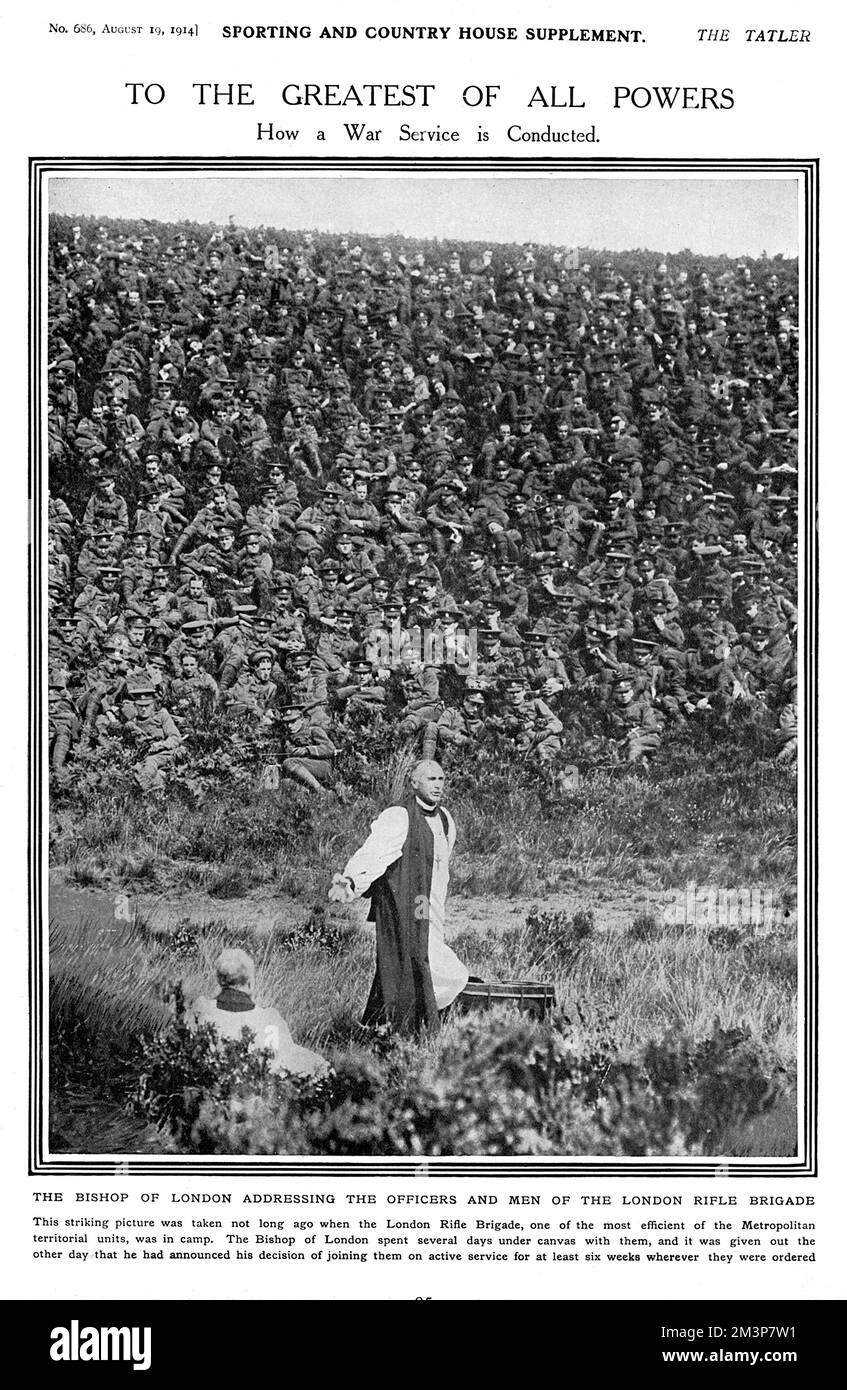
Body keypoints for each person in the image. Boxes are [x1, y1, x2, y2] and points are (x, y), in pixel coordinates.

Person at [329, 760, 469, 1033]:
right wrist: (351, 881)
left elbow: (442, 864)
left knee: (420, 953)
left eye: (441, 778)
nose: (438, 785)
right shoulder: (399, 816)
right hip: (402, 900)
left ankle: (384, 1024)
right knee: (414, 957)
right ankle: (412, 1026)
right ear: (414, 783)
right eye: (431, 779)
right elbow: (376, 853)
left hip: (429, 902)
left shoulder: (446, 819)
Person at [190, 948, 328, 1078]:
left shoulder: (202, 1011)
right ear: (250, 982)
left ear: (220, 980)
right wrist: (321, 1065)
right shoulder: (268, 1020)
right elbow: (284, 1059)